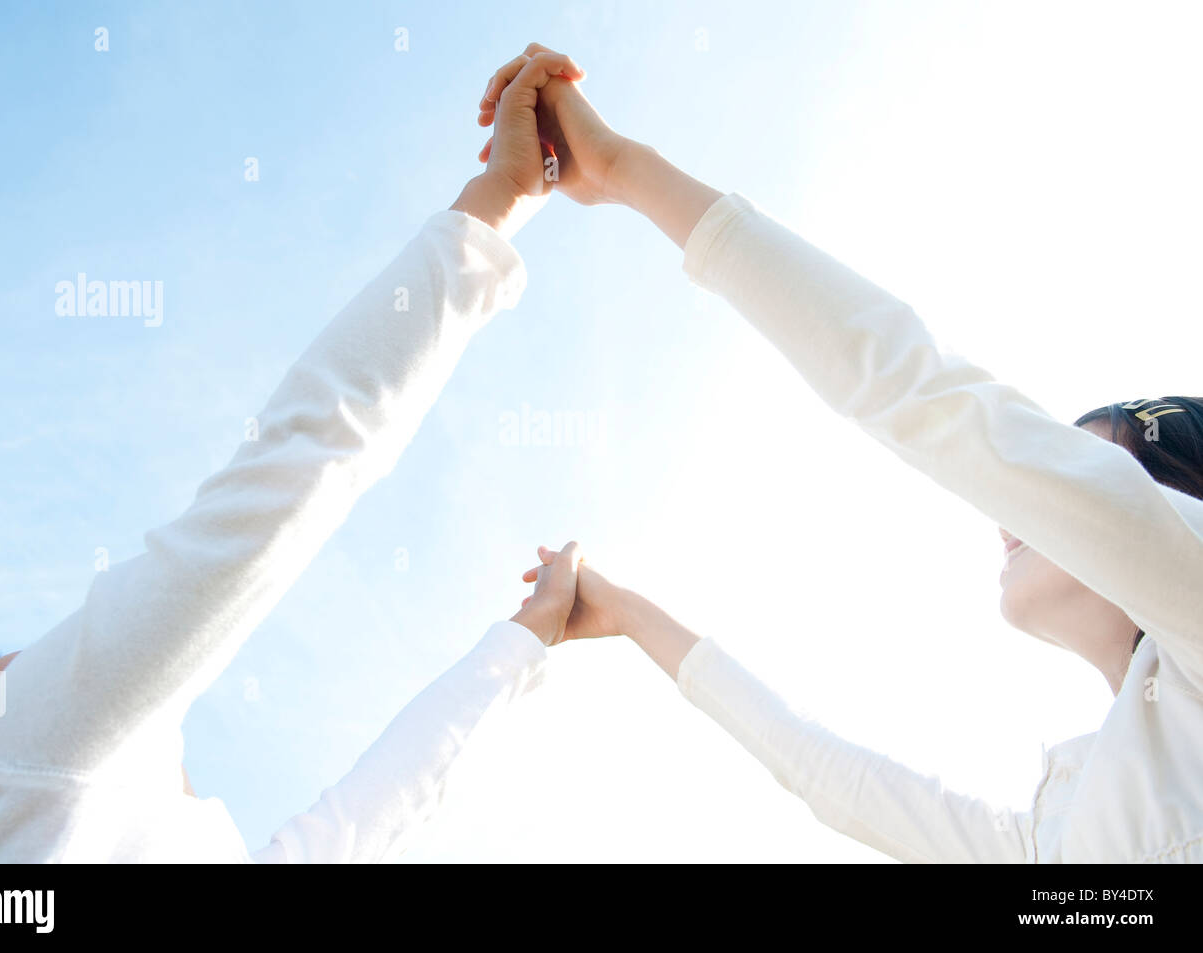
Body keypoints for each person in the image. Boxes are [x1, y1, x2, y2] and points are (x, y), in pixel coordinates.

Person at [490, 43, 1203, 863]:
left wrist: (624, 170)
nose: (1011, 506)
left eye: (1073, 472)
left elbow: (917, 393)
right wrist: (626, 615)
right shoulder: (1059, 842)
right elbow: (828, 774)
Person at [0, 50, 591, 864]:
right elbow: (290, 474)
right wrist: (495, 205)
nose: (46, 654)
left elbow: (369, 815)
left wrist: (526, 640)